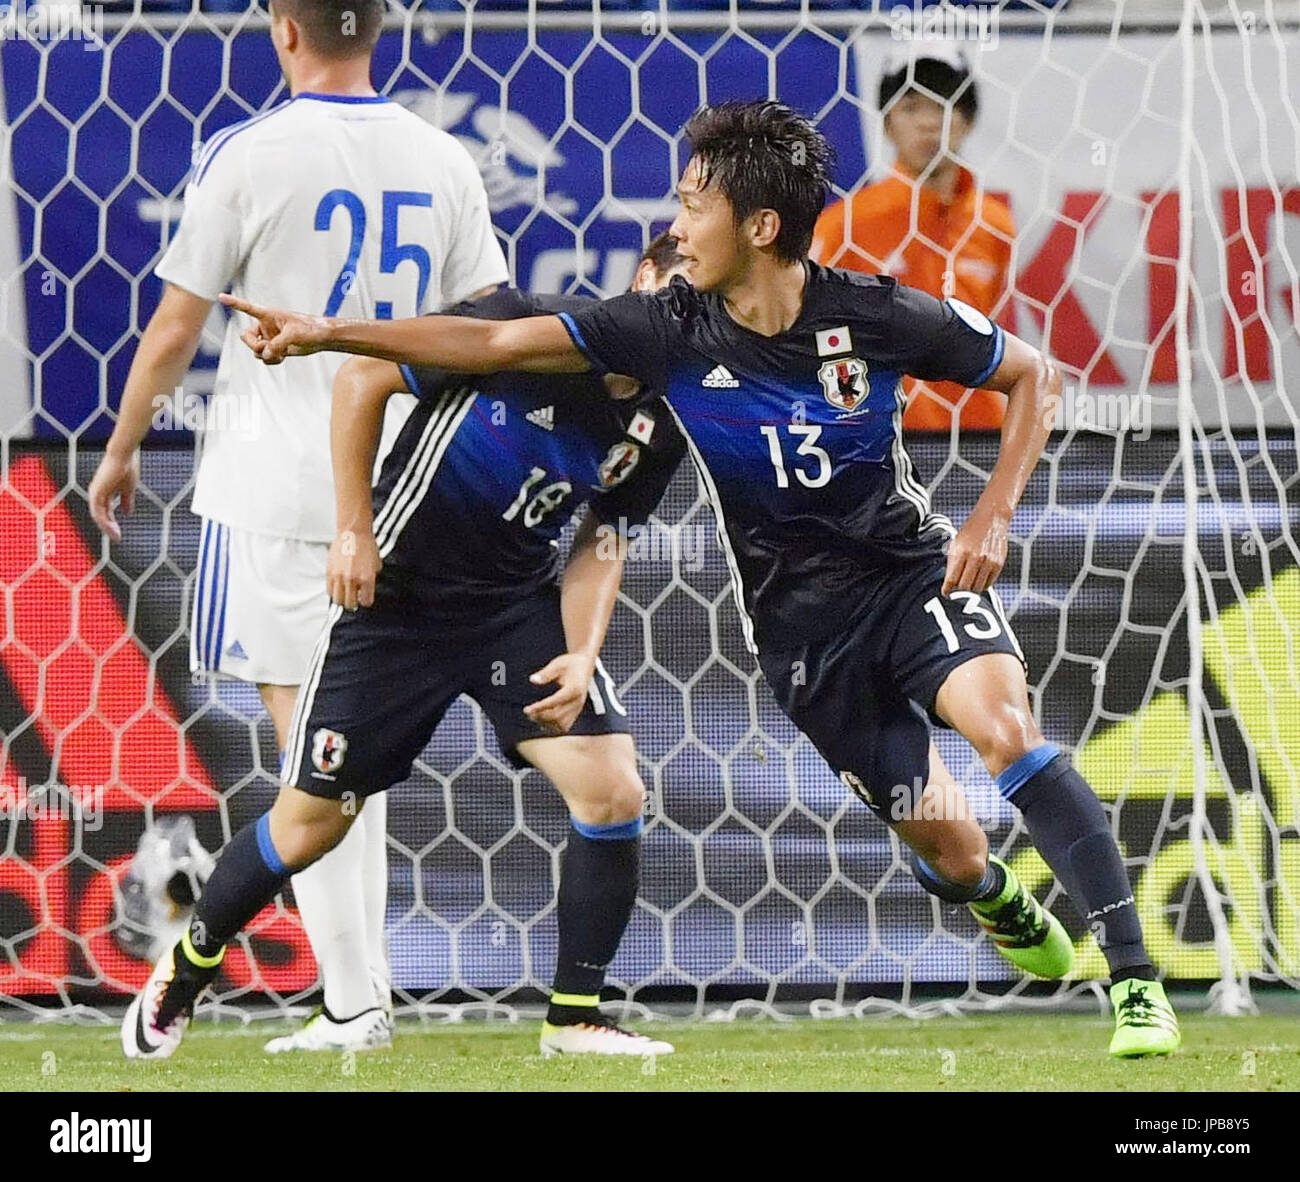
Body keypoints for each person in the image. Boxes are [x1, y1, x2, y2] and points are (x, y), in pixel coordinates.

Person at [220, 99, 1184, 1059]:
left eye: (692, 205)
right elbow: (492, 344)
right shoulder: (666, 330)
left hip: (909, 578)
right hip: (804, 636)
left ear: (760, 227)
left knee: (1006, 730)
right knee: (954, 846)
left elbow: (1032, 377)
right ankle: (991, 894)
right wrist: (330, 334)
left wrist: (993, 514)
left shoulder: (878, 314)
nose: (675, 226)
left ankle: (1136, 984)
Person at [121, 236, 691, 1061]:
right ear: (640, 279)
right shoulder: (521, 326)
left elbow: (608, 534)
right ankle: (189, 963)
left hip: (512, 607)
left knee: (612, 789)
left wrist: (581, 649)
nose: (680, 319)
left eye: (701, 308)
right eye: (673, 294)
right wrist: (353, 528)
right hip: (398, 606)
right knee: (310, 825)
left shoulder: (665, 419)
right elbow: (364, 377)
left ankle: (574, 1017)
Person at [89, 0, 509, 1054]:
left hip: (280, 497)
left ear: (284, 29)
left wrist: (123, 447)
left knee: (312, 760)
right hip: (403, 497)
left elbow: (175, 326)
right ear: (378, 30)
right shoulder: (444, 158)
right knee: (342, 758)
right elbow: (489, 325)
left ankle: (354, 1003)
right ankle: (361, 996)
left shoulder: (248, 152)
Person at [811, 47, 1014, 433]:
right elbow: (818, 339)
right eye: (911, 107)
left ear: (968, 120)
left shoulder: (995, 223)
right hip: (882, 437)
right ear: (887, 124)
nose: (928, 123)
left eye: (943, 106)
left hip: (982, 434)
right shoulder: (843, 226)